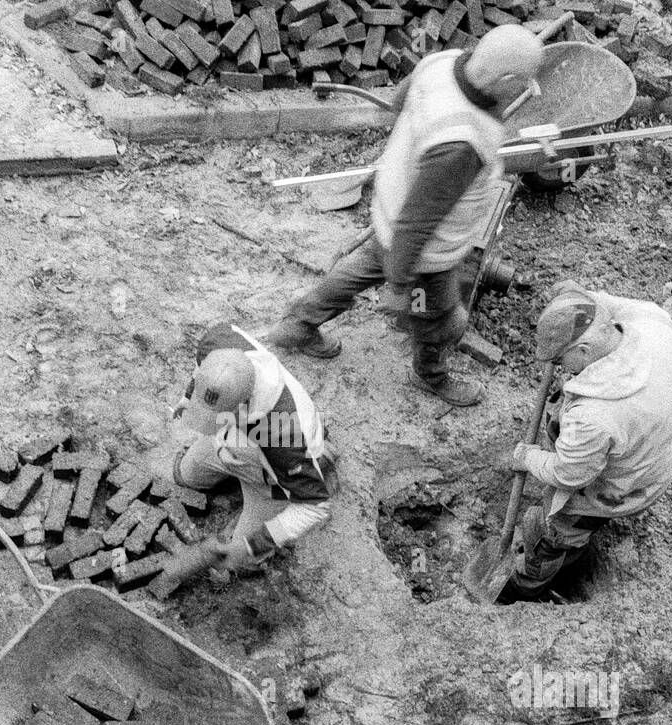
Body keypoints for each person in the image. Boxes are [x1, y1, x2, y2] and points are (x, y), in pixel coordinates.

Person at [265, 24, 544, 407]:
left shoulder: (440, 62)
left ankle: (296, 326)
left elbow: (398, 101)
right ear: (507, 78)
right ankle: (429, 374)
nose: (530, 91)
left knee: (356, 272)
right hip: (425, 258)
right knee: (443, 320)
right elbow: (420, 221)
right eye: (526, 83)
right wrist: (401, 284)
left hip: (387, 215)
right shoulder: (462, 144)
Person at [498, 283, 672, 602]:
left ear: (584, 350)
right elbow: (601, 304)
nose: (557, 367)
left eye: (560, 359)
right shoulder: (653, 321)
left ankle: (527, 586)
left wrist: (527, 457)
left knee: (557, 529)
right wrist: (575, 299)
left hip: (617, 487)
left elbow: (568, 475)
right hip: (652, 454)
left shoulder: (595, 415)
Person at [170, 322, 337, 572]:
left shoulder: (283, 436)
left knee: (237, 565)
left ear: (243, 406)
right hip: (242, 439)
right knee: (185, 477)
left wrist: (255, 544)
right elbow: (202, 374)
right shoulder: (218, 344)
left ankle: (320, 459)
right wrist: (188, 399)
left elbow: (315, 507)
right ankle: (233, 461)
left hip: (272, 471)